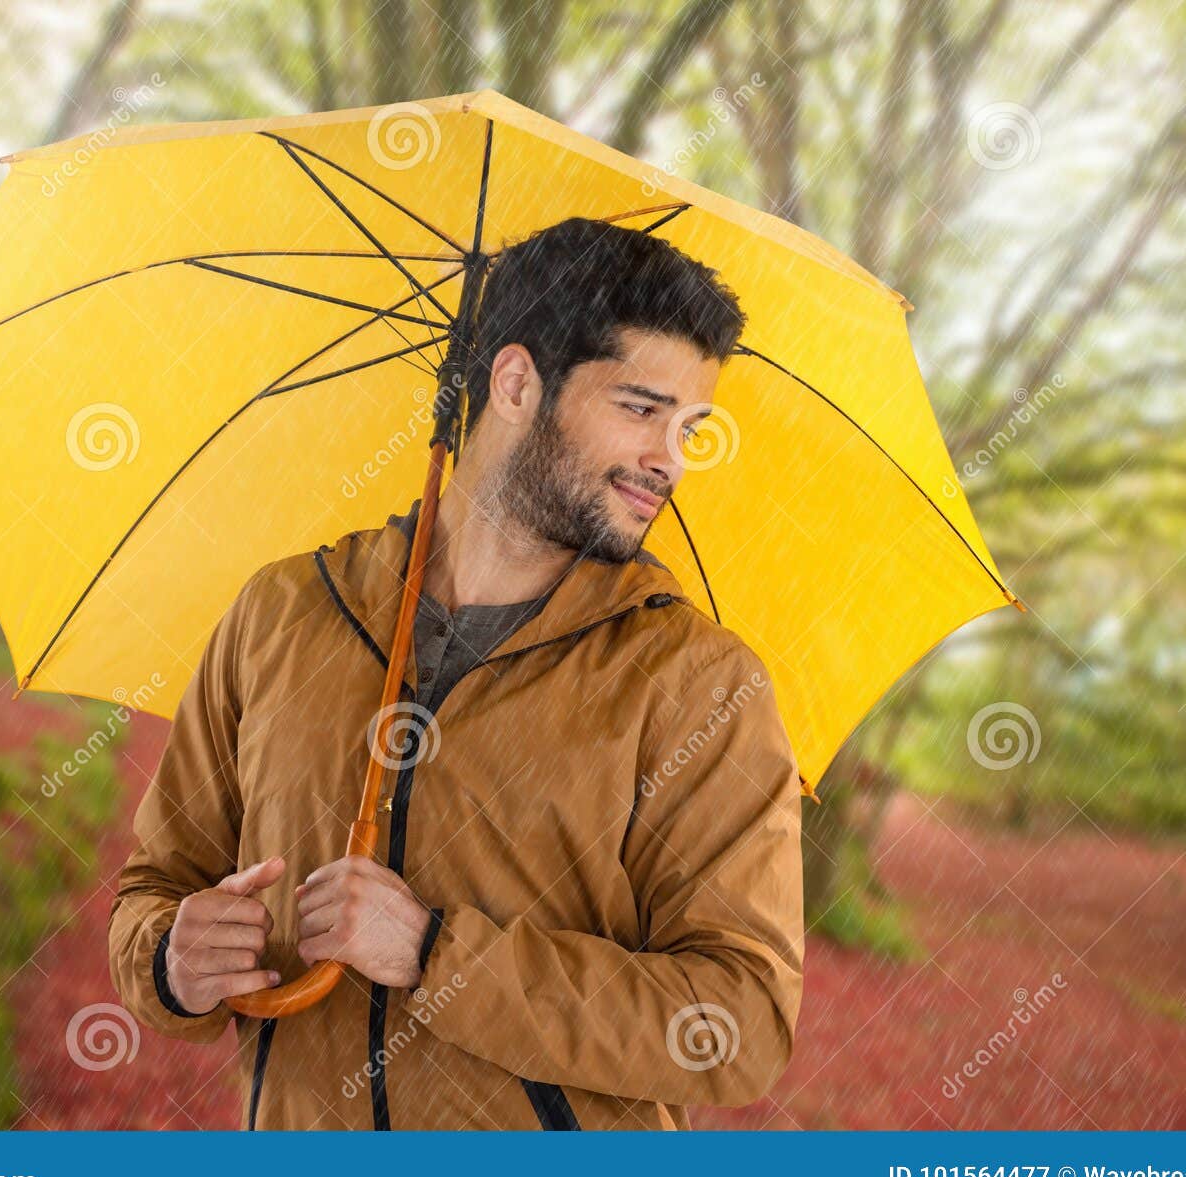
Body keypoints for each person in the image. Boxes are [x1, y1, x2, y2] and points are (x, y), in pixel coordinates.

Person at [108, 217, 806, 1130]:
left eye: (690, 427)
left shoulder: (696, 685)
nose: (670, 460)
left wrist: (439, 953)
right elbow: (154, 886)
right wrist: (171, 961)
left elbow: (741, 1020)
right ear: (515, 382)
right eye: (640, 409)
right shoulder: (280, 613)